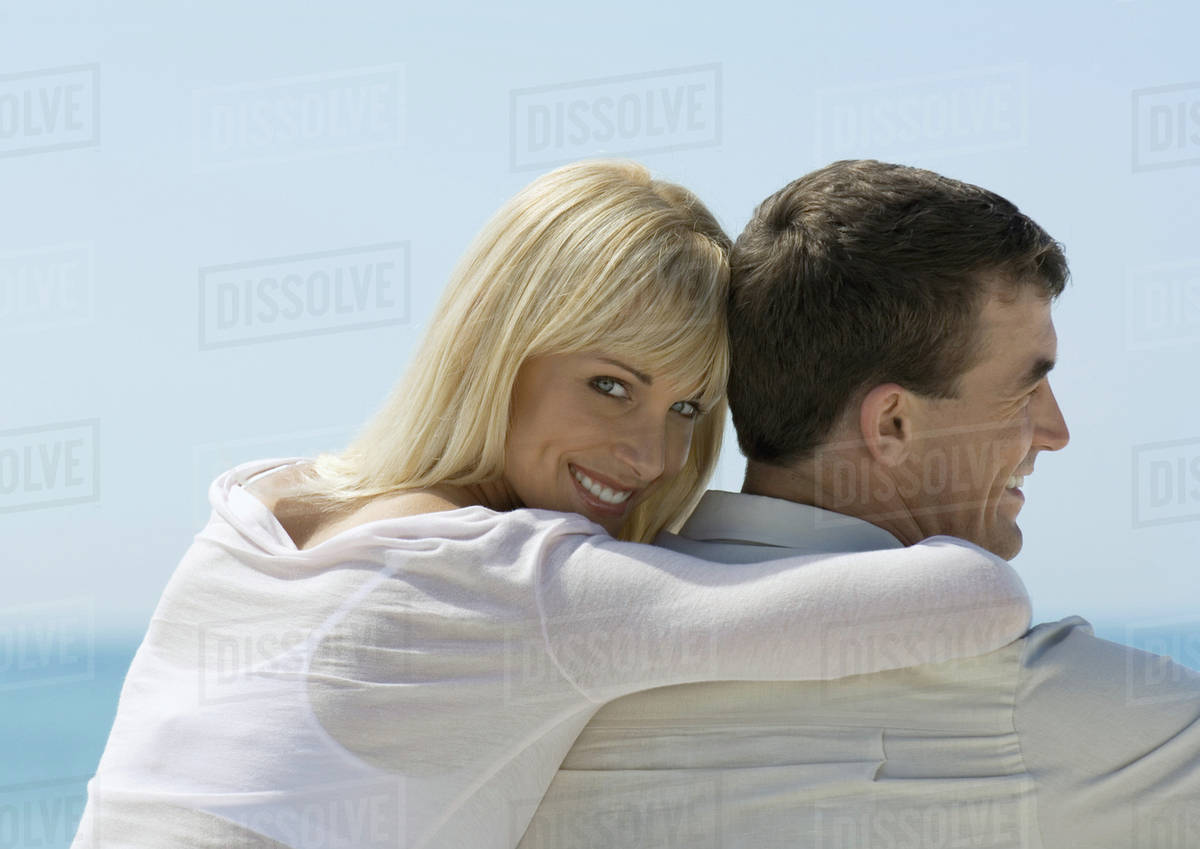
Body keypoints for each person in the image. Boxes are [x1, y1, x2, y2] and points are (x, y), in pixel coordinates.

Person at [70, 160, 1033, 849]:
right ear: (500, 346)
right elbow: (974, 598)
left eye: (689, 408)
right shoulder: (525, 584)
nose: (653, 454)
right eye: (611, 384)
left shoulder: (255, 509)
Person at [518, 159, 1200, 849]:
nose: (1056, 432)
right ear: (893, 425)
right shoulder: (1045, 711)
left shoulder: (537, 657)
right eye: (1026, 390)